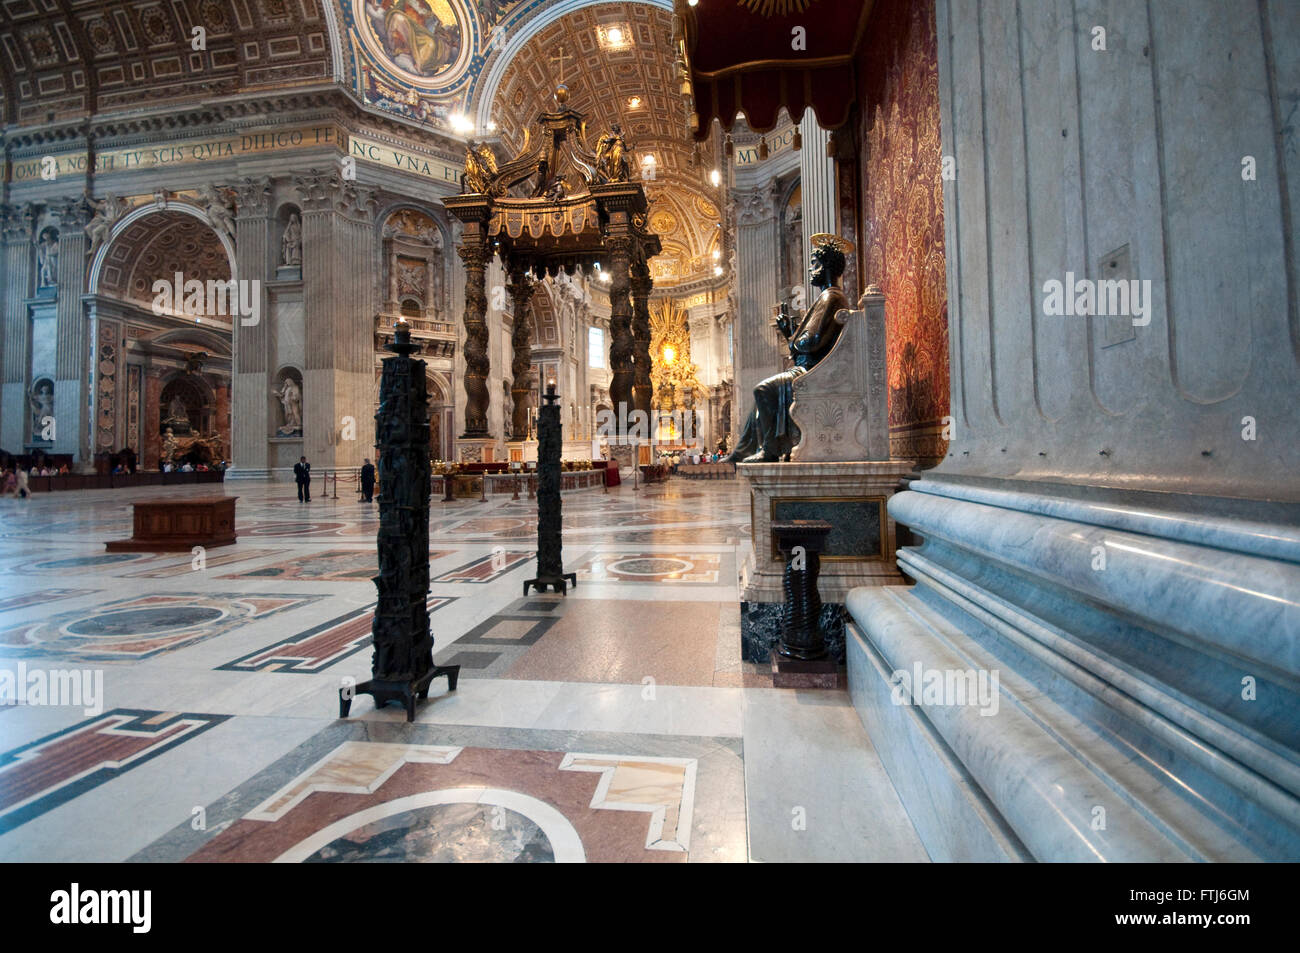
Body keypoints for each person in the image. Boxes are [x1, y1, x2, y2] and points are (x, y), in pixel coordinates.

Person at [726, 234, 854, 463]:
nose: (811, 268)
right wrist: (791, 333)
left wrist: (792, 336)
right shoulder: (827, 298)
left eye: (815, 263)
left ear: (826, 266)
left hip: (814, 371)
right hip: (810, 367)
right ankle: (745, 450)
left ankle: (770, 450)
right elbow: (805, 343)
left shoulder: (831, 298)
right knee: (760, 394)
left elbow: (810, 342)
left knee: (762, 390)